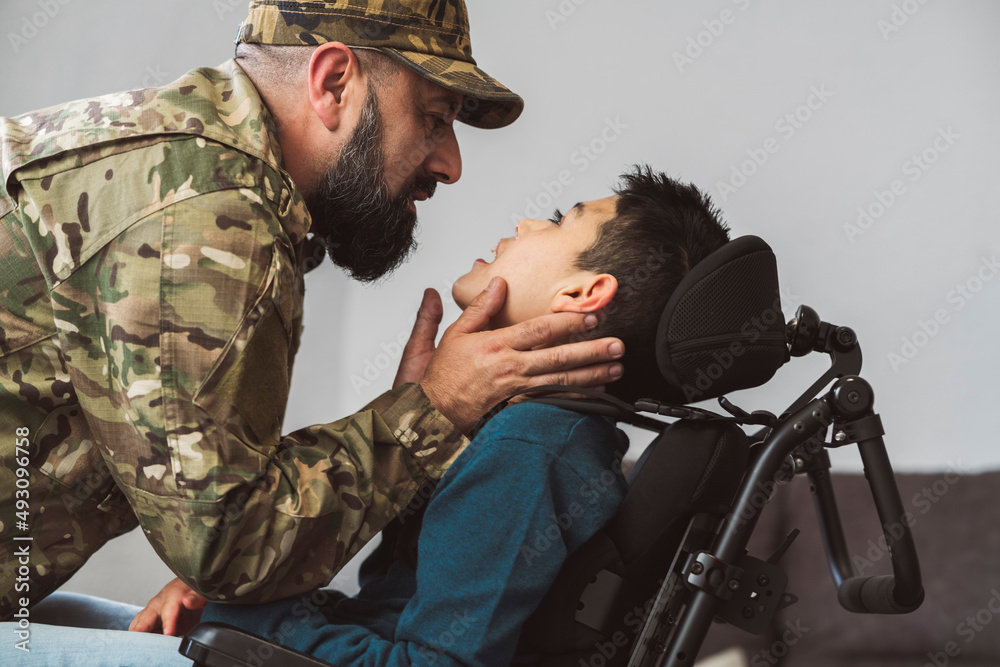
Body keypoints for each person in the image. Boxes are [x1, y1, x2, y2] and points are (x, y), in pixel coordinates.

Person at [0, 0, 628, 626]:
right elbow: (227, 549)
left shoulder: (194, 158)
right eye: (434, 119)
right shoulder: (206, 213)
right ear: (333, 83)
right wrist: (429, 413)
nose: (450, 165)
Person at [129, 166, 733, 665]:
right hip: (303, 635)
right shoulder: (521, 431)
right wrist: (414, 421)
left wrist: (244, 612)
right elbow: (393, 603)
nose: (525, 223)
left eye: (557, 220)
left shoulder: (533, 447)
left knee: (38, 634)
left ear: (581, 296)